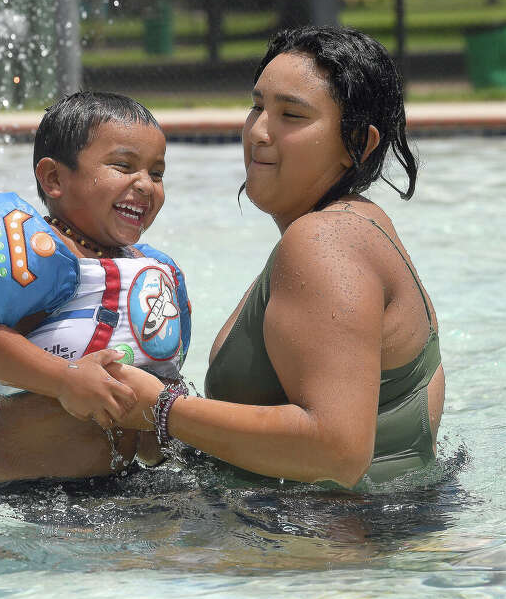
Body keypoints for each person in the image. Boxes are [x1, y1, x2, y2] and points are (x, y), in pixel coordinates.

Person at [113, 25, 444, 489]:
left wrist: (164, 410)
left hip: (319, 544)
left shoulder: (324, 244)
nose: (259, 132)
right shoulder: (361, 224)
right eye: (257, 107)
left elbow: (337, 452)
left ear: (359, 145)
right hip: (367, 532)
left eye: (291, 115)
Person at [0, 92, 192, 491]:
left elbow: (151, 439)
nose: (145, 185)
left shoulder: (151, 271)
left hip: (127, 490)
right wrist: (64, 379)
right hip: (38, 499)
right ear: (54, 178)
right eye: (123, 166)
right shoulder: (34, 259)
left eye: (156, 172)